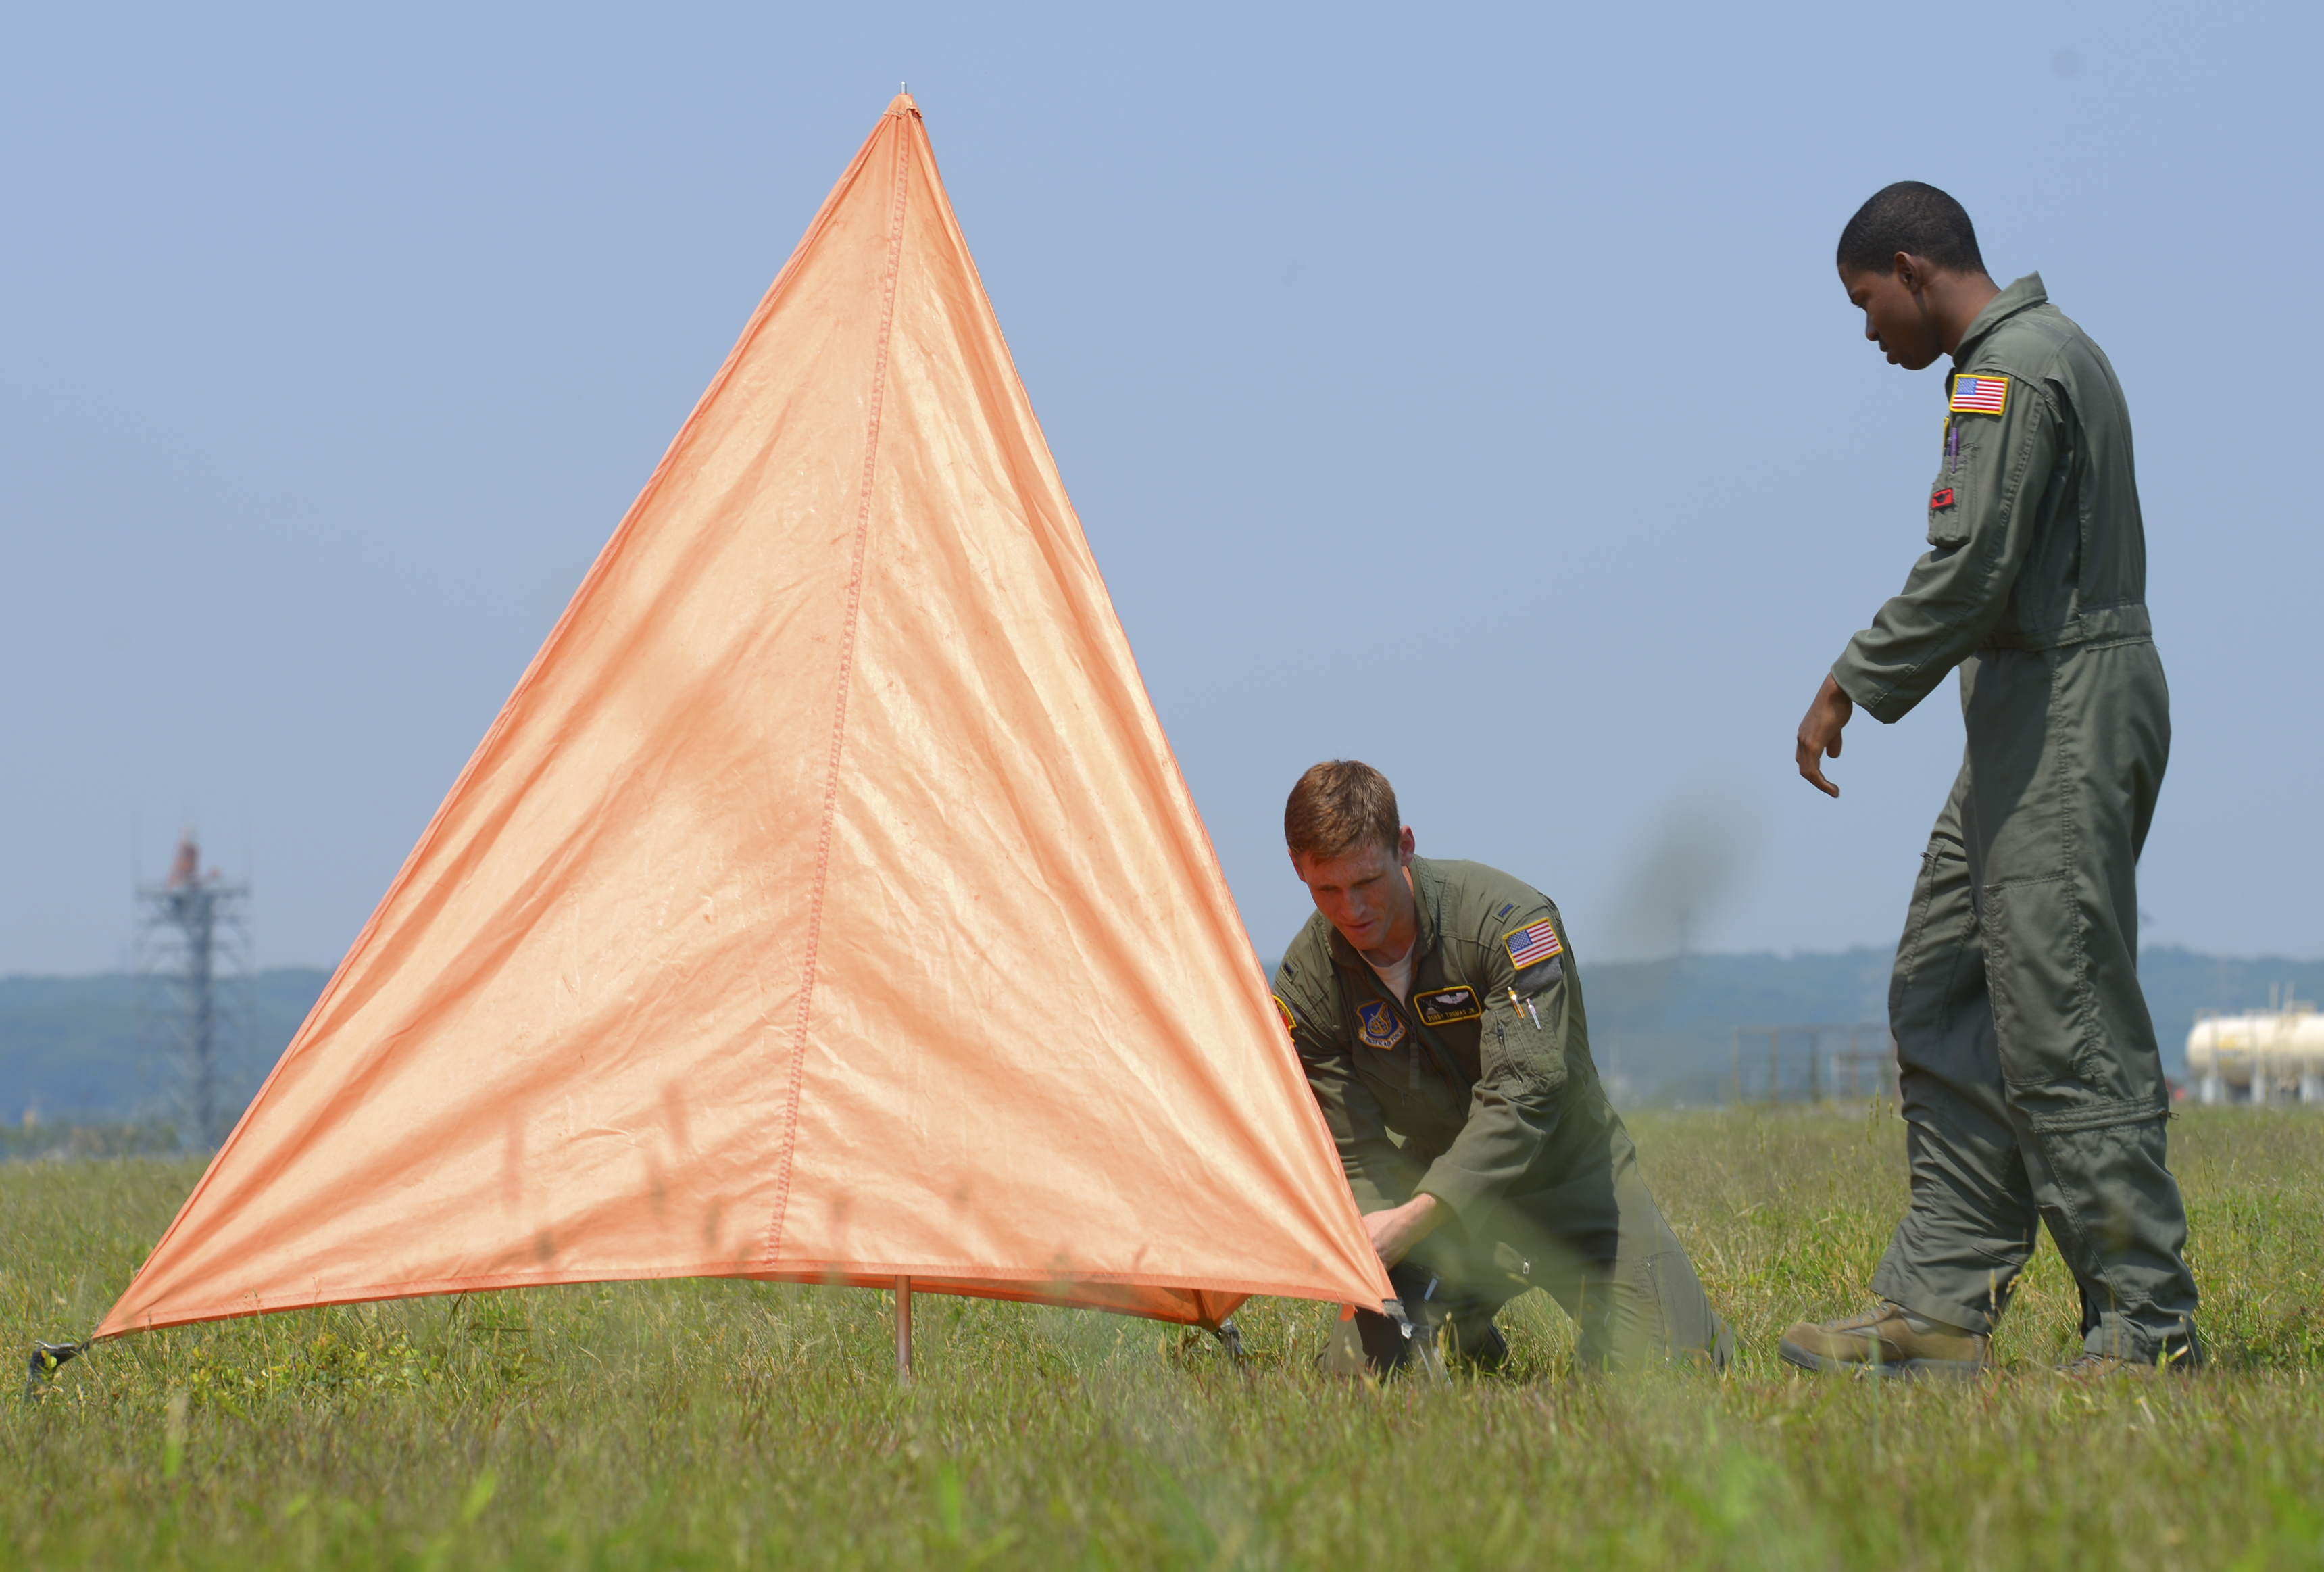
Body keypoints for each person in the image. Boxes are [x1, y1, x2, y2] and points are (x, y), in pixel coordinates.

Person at [1783, 182, 2199, 1379]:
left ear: (1914, 271)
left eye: (1866, 304)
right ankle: (1937, 1306)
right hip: (2027, 710)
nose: (1867, 334)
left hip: (2062, 706)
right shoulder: (2037, 353)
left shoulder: (2006, 372)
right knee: (1940, 981)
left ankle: (2143, 1320)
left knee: (2058, 1009)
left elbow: (1968, 571)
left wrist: (1845, 681)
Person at [1270, 759, 1730, 1375]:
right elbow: (1352, 1150)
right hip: (1431, 1206)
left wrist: (1416, 1216)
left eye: (1367, 882)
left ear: (1403, 846)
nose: (1351, 910)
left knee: (1681, 1365)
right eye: (1326, 890)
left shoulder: (1508, 925)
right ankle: (1459, 1327)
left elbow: (1526, 1094)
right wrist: (1382, 1247)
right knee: (1358, 1379)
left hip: (1573, 1183)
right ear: (1298, 870)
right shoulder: (1308, 985)